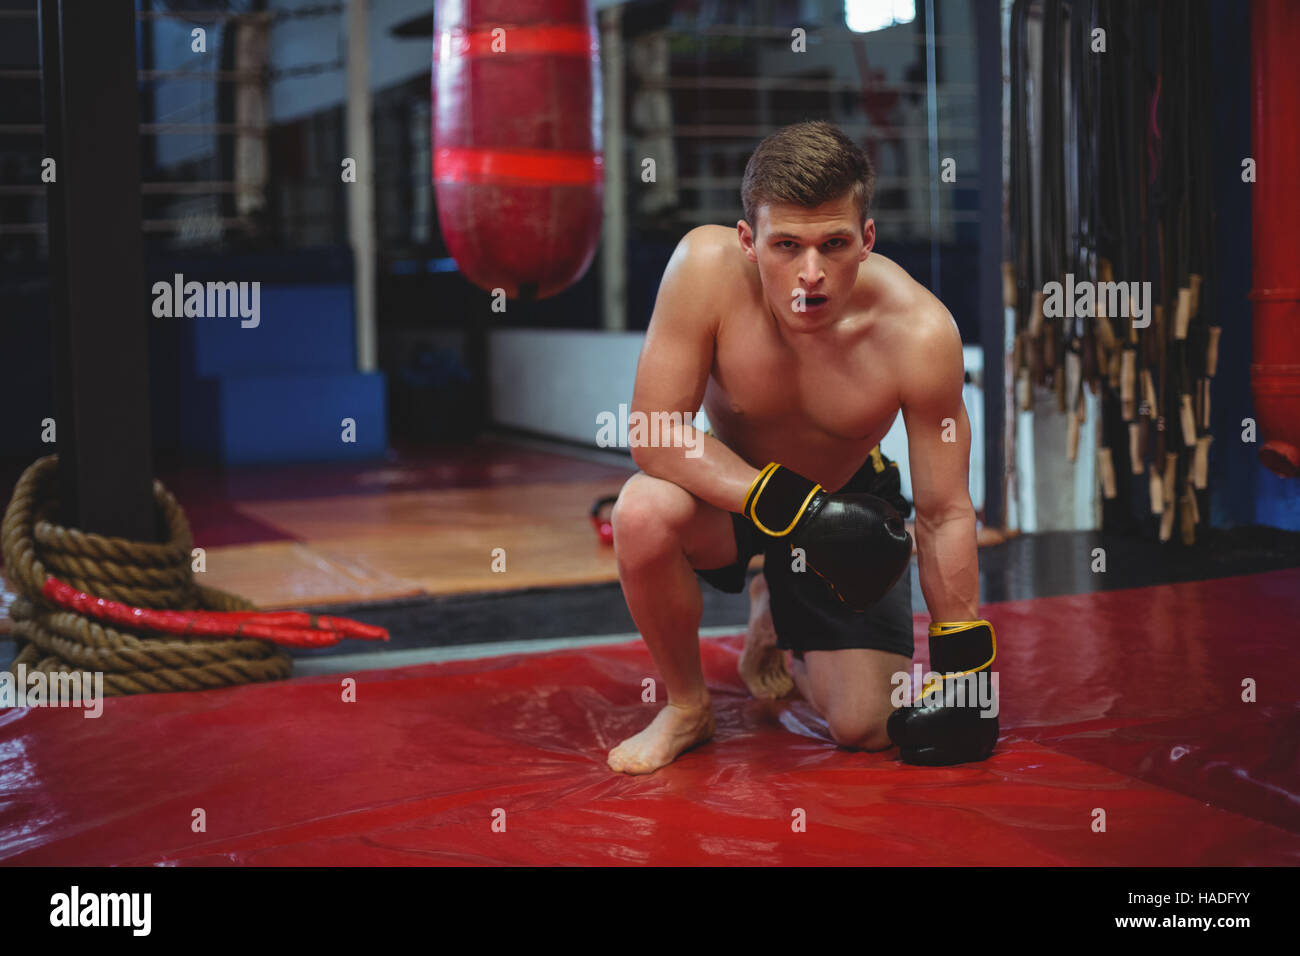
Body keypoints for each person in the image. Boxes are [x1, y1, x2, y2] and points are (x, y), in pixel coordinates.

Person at [607, 121, 997, 775]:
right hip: (728, 486)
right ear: (747, 241)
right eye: (786, 244)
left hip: (849, 505)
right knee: (641, 513)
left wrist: (966, 670)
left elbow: (945, 510)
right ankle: (686, 706)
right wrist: (796, 509)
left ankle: (784, 632)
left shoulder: (920, 333)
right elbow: (652, 431)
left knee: (867, 727)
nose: (809, 275)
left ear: (866, 240)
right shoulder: (703, 269)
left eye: (833, 244)